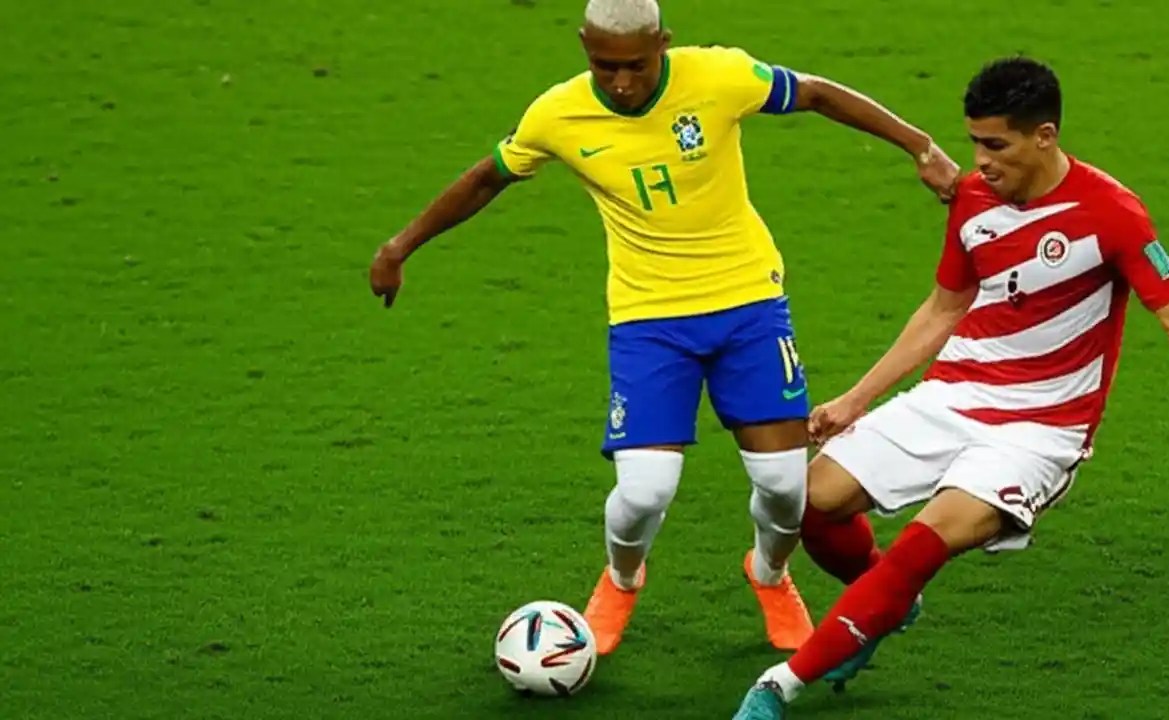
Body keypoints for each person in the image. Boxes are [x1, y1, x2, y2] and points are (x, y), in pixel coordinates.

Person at [368, 0, 960, 656]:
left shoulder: (719, 76)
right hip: (650, 321)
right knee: (644, 492)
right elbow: (488, 177)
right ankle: (623, 578)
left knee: (786, 489)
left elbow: (816, 94)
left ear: (664, 45)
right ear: (583, 46)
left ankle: (768, 574)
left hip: (749, 307)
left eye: (636, 66)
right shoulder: (558, 114)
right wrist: (400, 247)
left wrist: (920, 146)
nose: (620, 82)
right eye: (603, 65)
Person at [732, 55, 1169, 719]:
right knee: (809, 503)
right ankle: (882, 606)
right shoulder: (976, 200)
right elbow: (943, 309)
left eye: (995, 144)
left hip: (1041, 427)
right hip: (952, 395)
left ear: (1045, 136)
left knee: (924, 541)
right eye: (975, 142)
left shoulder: (1113, 213)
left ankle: (779, 686)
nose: (979, 161)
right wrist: (853, 401)